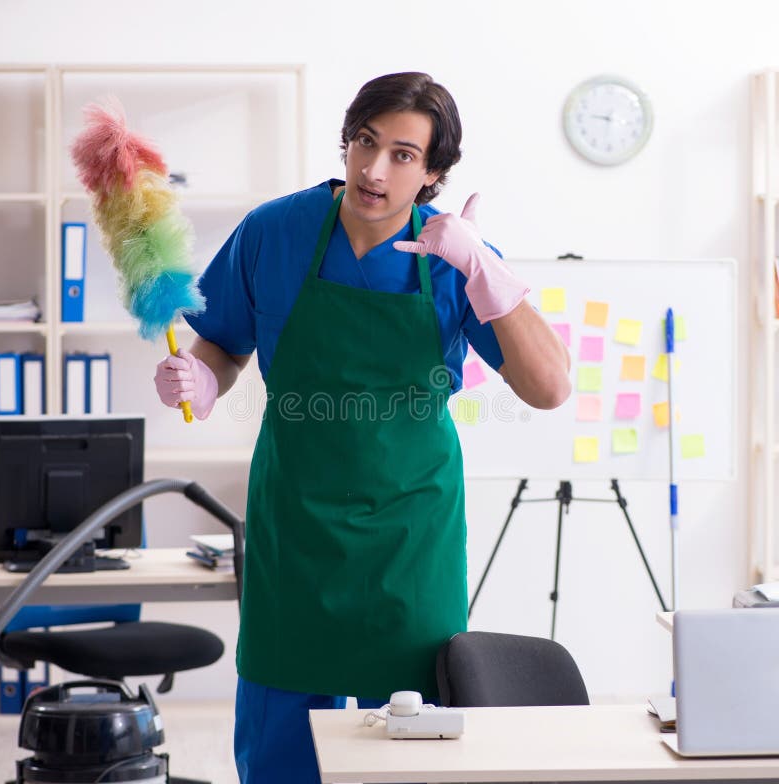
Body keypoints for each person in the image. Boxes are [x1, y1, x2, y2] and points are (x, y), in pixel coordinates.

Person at [154, 71, 571, 784]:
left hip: (410, 534)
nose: (374, 170)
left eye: (403, 155)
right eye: (365, 143)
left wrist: (483, 268)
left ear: (434, 172)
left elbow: (550, 386)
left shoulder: (453, 255)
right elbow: (220, 342)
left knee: (411, 747)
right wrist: (202, 378)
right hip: (297, 527)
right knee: (281, 744)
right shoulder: (273, 232)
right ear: (346, 142)